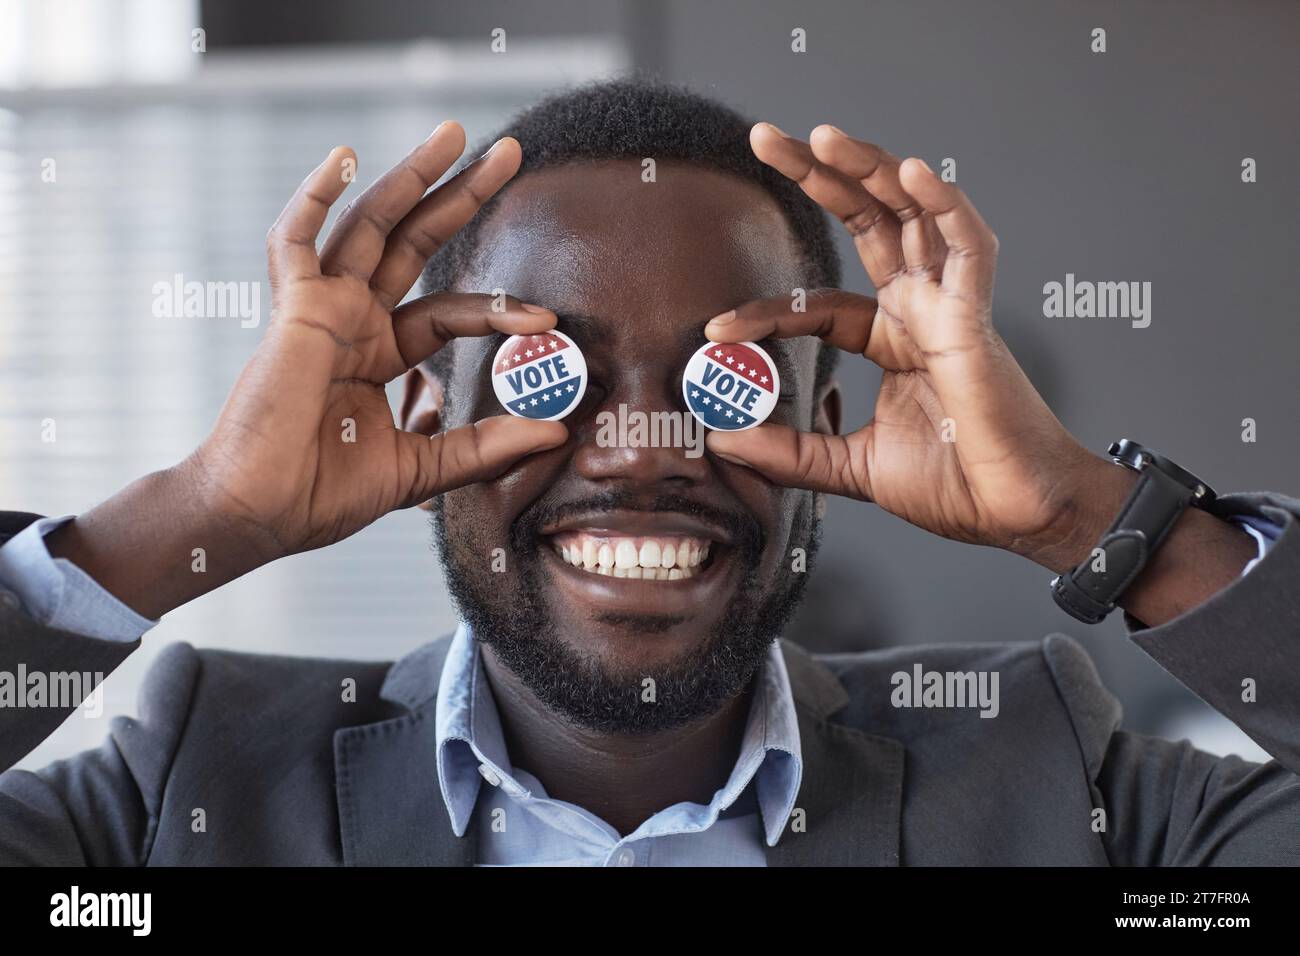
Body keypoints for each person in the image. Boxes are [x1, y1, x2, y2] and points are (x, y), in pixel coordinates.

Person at [1, 79, 1296, 866]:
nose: (639, 445)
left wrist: (1087, 517)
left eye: (712, 380)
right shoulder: (181, 790)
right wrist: (203, 518)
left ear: (828, 422)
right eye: (551, 370)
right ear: (421, 409)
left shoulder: (1053, 780)